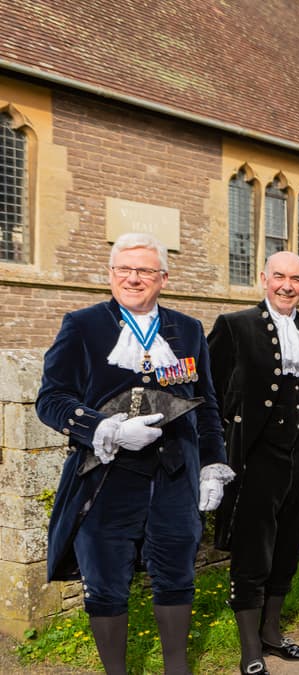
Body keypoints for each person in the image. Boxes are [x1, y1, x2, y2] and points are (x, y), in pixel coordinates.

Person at [37, 233, 231, 675]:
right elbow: (51, 400)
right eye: (124, 269)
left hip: (175, 475)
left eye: (144, 270)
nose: (133, 278)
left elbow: (208, 406)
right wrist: (103, 428)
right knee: (105, 581)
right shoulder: (82, 325)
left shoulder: (189, 329)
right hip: (106, 476)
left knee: (177, 575)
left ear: (163, 277)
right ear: (110, 275)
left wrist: (213, 466)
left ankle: (177, 670)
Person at [208, 251, 299, 674]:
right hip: (256, 458)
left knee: (288, 547)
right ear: (263, 278)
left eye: (295, 279)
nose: (286, 285)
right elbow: (210, 393)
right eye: (279, 276)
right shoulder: (235, 326)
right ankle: (250, 650)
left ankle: (273, 633)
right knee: (253, 550)